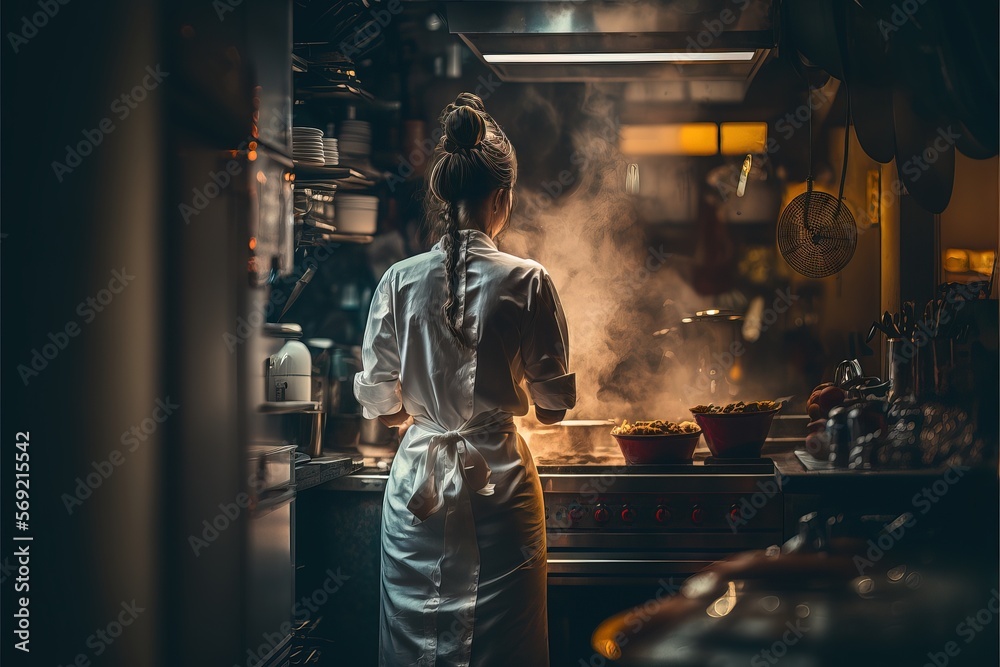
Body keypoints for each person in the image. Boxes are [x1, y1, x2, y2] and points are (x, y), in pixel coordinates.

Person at [354, 92, 576, 667]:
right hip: (499, 497)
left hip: (415, 505)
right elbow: (552, 410)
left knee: (412, 652)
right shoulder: (528, 280)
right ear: (502, 198)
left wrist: (427, 412)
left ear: (441, 193)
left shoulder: (398, 281)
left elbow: (381, 406)